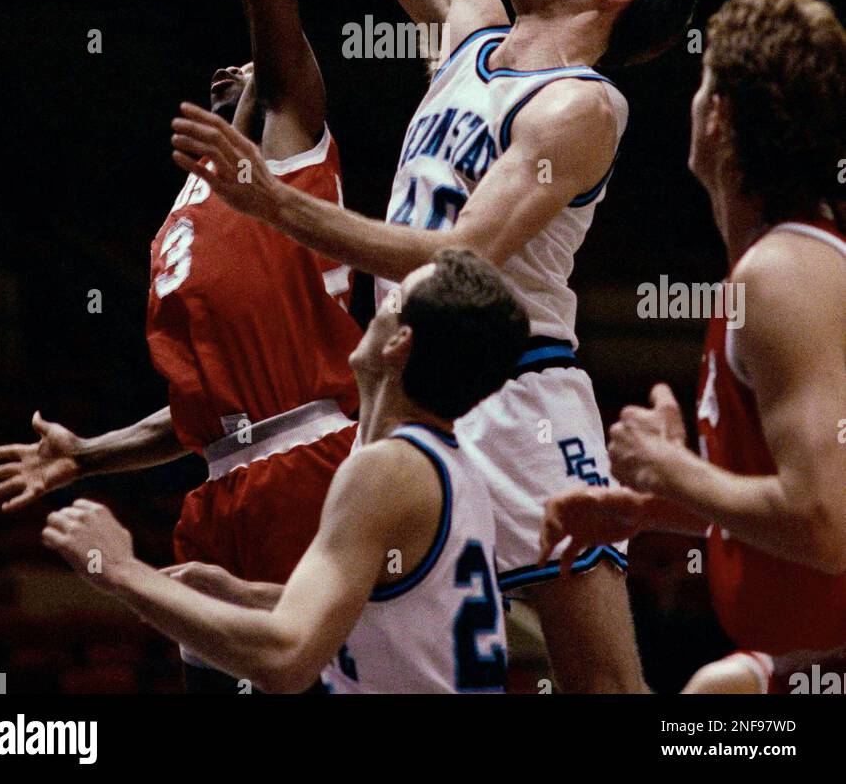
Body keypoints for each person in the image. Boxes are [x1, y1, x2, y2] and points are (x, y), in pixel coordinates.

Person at [167, 0, 700, 697]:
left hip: (516, 388)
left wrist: (277, 202)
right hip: (406, 380)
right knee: (372, 663)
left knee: (605, 686)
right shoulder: (467, 26)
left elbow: (463, 260)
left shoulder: (582, 111)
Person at [0, 0, 362, 693]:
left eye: (258, 62)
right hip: (221, 487)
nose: (242, 67)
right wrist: (91, 455)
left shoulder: (286, 138)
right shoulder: (180, 220)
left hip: (312, 470)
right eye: (224, 73)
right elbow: (203, 411)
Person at [43, 250, 529, 695]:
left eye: (392, 301)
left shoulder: (386, 470)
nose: (373, 310)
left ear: (399, 344)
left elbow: (286, 658)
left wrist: (122, 571)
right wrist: (244, 595)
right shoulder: (453, 467)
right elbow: (384, 615)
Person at [542, 0, 846, 692]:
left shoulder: (782, 277)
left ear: (721, 117)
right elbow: (803, 501)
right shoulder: (786, 265)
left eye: (702, 80)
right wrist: (648, 511)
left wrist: (668, 468)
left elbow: (824, 523)